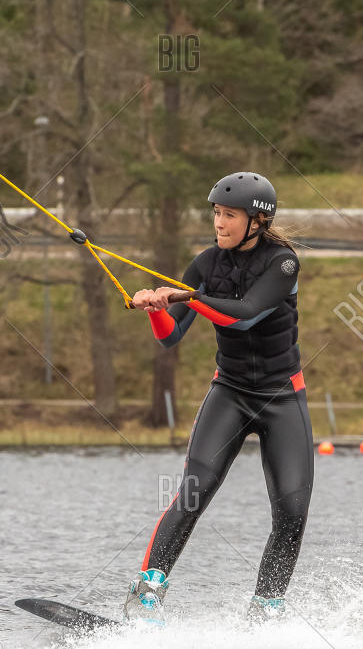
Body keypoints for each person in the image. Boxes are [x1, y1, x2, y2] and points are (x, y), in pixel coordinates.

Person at [126, 172, 314, 625]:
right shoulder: (205, 264)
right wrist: (158, 311)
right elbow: (171, 338)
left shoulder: (282, 264)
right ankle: (148, 594)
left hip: (281, 399)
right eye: (215, 213)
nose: (219, 222)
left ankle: (266, 611)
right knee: (193, 491)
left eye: (229, 215)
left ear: (256, 221)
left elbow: (245, 317)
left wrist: (188, 298)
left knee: (291, 508)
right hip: (229, 392)